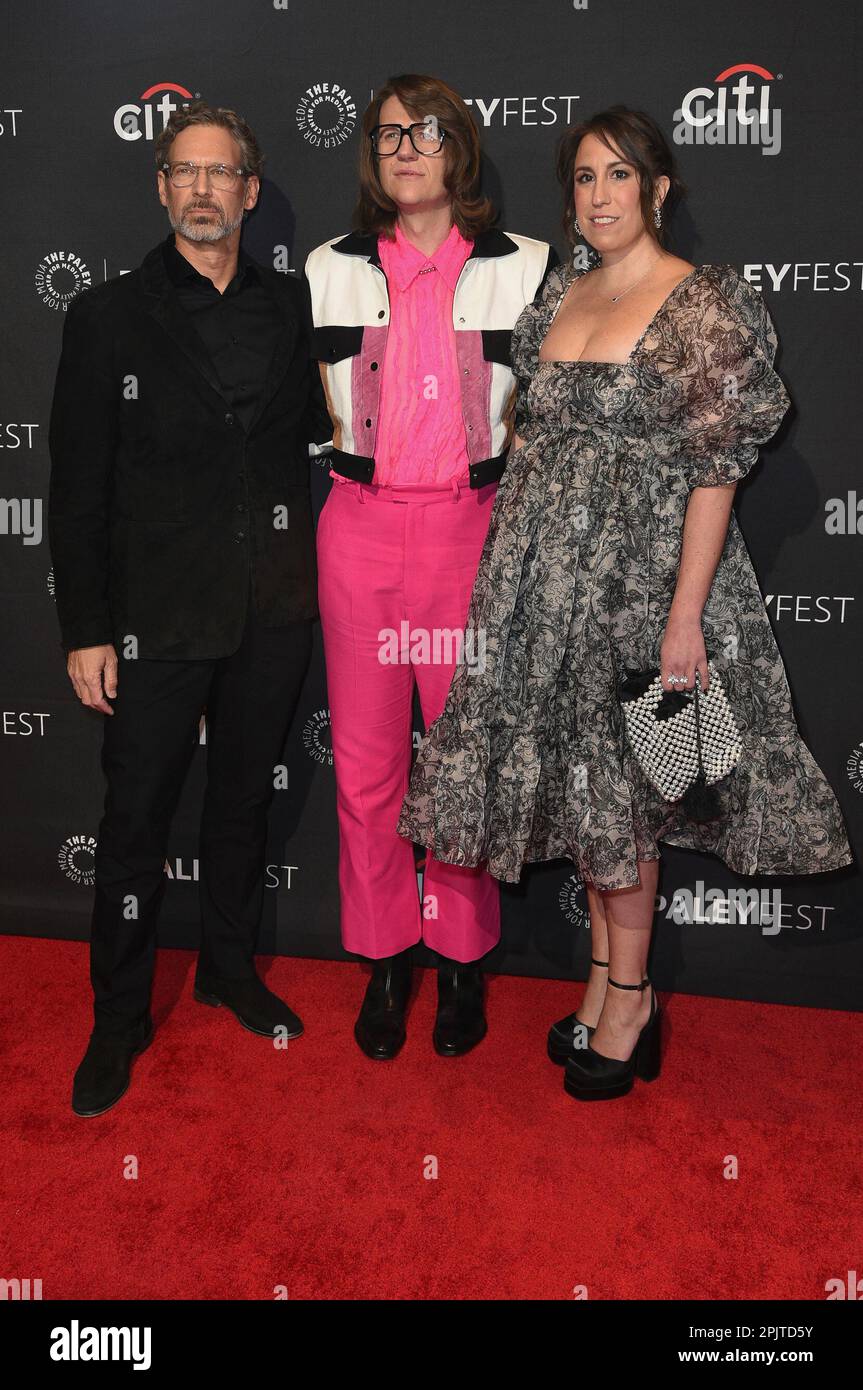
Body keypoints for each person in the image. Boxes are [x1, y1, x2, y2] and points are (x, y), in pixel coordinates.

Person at [396, 105, 854, 1099]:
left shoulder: (702, 305)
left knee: (625, 801)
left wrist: (683, 616)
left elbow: (714, 473)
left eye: (617, 176)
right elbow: (529, 438)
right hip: (539, 594)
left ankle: (633, 997)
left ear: (657, 189)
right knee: (589, 801)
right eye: (583, 178)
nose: (598, 196)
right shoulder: (564, 286)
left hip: (641, 592)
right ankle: (605, 981)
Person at [48, 100, 330, 1116]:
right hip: (152, 619)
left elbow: (309, 435)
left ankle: (224, 967)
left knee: (242, 805)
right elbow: (77, 490)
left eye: (223, 173)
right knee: (135, 822)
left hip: (269, 610)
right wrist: (85, 625)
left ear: (250, 193)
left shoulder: (289, 307)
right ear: (162, 186)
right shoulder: (106, 316)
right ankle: (119, 1013)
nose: (204, 188)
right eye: (185, 171)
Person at [304, 74, 559, 1060]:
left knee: (461, 764)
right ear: (370, 156)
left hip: (472, 535)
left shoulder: (528, 266)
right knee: (367, 769)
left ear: (461, 149)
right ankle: (383, 959)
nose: (405, 148)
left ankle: (459, 961)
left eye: (427, 133)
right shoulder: (325, 268)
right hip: (357, 531)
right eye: (387, 134)